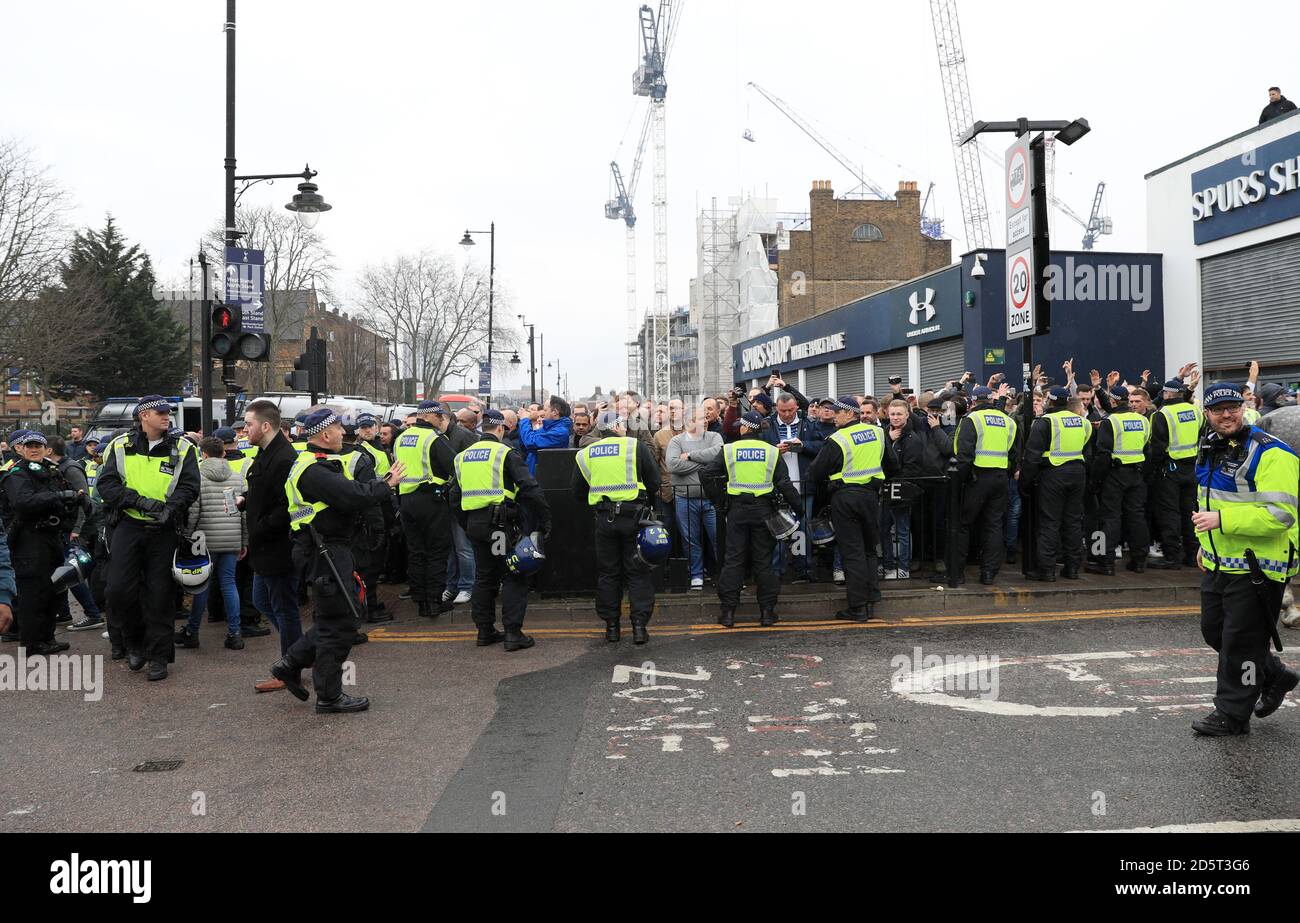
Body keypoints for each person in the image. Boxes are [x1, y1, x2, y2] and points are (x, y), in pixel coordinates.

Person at [270, 409, 406, 714]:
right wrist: (386, 485)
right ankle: (329, 695)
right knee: (339, 624)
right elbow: (350, 496)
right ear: (324, 434)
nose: (343, 433)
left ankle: (290, 663)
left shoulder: (315, 464)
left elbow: (348, 495)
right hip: (323, 552)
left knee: (337, 618)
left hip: (326, 550)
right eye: (336, 428)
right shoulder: (313, 470)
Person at [1190, 383, 1300, 735]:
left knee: (1241, 641)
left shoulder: (1271, 453)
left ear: (1244, 407)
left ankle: (1232, 715)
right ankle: (1276, 675)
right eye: (1218, 409)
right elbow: (1208, 500)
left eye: (1232, 407)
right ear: (1207, 414)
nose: (1226, 414)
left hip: (1259, 565)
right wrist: (1203, 542)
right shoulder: (1211, 446)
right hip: (1221, 559)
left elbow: (1280, 516)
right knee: (1215, 632)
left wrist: (1222, 522)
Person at [97, 397, 201, 681]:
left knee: (160, 595)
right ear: (144, 416)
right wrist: (141, 503)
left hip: (163, 529)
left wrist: (170, 510)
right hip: (128, 525)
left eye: (168, 412)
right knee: (118, 590)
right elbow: (106, 484)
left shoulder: (183, 447)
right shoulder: (120, 446)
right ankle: (135, 643)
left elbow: (190, 486)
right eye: (161, 412)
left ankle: (159, 657)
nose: (167, 417)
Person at [449, 409, 552, 651]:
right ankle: (513, 634)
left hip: (475, 525)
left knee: (484, 577)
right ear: (500, 429)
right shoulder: (505, 453)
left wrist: (468, 524)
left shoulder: (462, 457)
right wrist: (545, 519)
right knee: (513, 574)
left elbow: (454, 498)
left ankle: (484, 632)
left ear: (481, 428)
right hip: (499, 527)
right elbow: (530, 487)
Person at [703, 412, 801, 627]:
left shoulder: (729, 450)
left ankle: (728, 613)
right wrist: (799, 509)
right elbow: (784, 484)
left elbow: (707, 474)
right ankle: (767, 613)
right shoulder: (771, 451)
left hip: (737, 510)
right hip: (764, 511)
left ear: (746, 428)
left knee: (733, 560)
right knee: (763, 563)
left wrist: (720, 502)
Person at [808, 396, 901, 622]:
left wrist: (832, 481)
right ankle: (870, 600)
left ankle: (857, 607)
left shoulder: (838, 439)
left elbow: (815, 472)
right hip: (871, 497)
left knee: (852, 553)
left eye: (837, 412)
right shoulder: (878, 433)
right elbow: (893, 465)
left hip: (845, 498)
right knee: (870, 550)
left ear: (850, 414)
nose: (833, 416)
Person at [572, 412, 661, 645]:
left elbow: (577, 491)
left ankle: (612, 628)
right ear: (619, 426)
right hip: (634, 517)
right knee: (638, 571)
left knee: (608, 573)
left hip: (604, 519)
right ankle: (639, 627)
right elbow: (654, 482)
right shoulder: (635, 446)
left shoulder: (586, 454)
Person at [242, 399, 303, 694]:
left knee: (284, 607)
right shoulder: (266, 453)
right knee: (264, 602)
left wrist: (262, 526)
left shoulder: (283, 458)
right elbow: (263, 493)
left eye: (248, 424)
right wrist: (245, 499)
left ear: (265, 426)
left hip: (277, 547)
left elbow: (286, 506)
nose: (244, 429)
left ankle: (290, 668)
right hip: (263, 547)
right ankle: (300, 653)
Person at [3, 431, 80, 655]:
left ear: (46, 449)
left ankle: (47, 638)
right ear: (21, 449)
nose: (34, 449)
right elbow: (23, 502)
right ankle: (32, 643)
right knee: (32, 594)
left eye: (38, 445)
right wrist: (58, 497)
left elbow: (65, 497)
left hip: (51, 536)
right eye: (30, 446)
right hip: (29, 539)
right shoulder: (16, 473)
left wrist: (73, 500)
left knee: (53, 589)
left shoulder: (50, 471)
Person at [175, 437, 246, 650]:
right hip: (231, 538)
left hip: (203, 540)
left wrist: (187, 537)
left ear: (203, 454)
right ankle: (235, 633)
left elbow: (194, 511)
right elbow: (243, 513)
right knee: (229, 583)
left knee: (200, 585)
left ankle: (192, 631)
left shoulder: (197, 476)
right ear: (223, 453)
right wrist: (244, 540)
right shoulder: (237, 477)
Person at [1020, 387, 1092, 582]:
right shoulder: (1083, 423)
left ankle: (1047, 570)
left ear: (1049, 401)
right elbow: (1088, 453)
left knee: (1050, 523)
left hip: (1053, 475)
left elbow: (1031, 457)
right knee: (1073, 523)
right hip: (1078, 474)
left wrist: (1024, 484)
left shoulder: (1046, 422)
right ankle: (1072, 568)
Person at [394, 400, 457, 620]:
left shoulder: (401, 437)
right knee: (437, 551)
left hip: (406, 499)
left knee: (416, 551)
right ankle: (433, 602)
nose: (442, 421)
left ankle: (420, 600)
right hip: (431, 501)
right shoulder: (433, 438)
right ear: (430, 417)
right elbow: (453, 466)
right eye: (440, 417)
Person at [951, 385, 1018, 586]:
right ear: (990, 400)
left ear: (973, 401)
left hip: (976, 477)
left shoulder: (972, 419)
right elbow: (1013, 454)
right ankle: (989, 573)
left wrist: (957, 483)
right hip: (999, 478)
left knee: (963, 524)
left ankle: (958, 573)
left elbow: (963, 455)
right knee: (994, 526)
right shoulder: (1008, 421)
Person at [1088, 386, 1152, 576]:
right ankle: (1139, 561)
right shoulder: (1142, 420)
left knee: (1109, 518)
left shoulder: (1110, 422)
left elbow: (1103, 455)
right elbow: (1148, 451)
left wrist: (1095, 480)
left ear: (1113, 400)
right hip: (1137, 475)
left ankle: (1105, 562)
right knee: (1137, 517)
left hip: (1115, 475)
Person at [880, 398, 943, 580]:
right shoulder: (884, 433)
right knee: (883, 529)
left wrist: (894, 479)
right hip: (884, 489)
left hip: (901, 490)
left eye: (899, 414)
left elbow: (911, 468)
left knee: (902, 530)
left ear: (907, 415)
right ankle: (888, 565)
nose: (895, 417)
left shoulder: (912, 439)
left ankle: (903, 567)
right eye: (892, 414)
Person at [765, 393, 825, 582]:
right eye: (783, 411)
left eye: (791, 410)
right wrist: (774, 450)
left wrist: (803, 444)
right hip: (778, 488)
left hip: (803, 486)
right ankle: (777, 571)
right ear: (776, 408)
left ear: (796, 407)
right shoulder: (767, 425)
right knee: (778, 530)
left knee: (802, 530)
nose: (787, 414)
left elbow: (823, 446)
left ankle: (803, 570)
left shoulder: (809, 423)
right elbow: (759, 447)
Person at [1147, 379, 1203, 571]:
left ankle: (1171, 556)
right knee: (1190, 512)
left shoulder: (1161, 414)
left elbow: (1157, 448)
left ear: (1167, 394)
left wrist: (1152, 471)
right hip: (1192, 468)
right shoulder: (1195, 410)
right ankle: (1191, 554)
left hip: (1170, 469)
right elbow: (1201, 435)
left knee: (1169, 513)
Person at [668, 406, 723, 590]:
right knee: (691, 539)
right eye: (701, 418)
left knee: (718, 538)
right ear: (689, 422)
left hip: (711, 499)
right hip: (685, 498)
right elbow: (673, 465)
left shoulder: (714, 436)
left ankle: (725, 574)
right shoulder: (676, 441)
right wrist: (705, 466)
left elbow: (719, 455)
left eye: (706, 418)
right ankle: (696, 575)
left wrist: (690, 456)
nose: (706, 421)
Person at [433, 404, 478, 606]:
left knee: (463, 547)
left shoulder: (463, 436)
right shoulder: (440, 436)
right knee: (453, 547)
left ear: (441, 418)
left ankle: (467, 586)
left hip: (460, 500)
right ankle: (453, 585)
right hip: (448, 500)